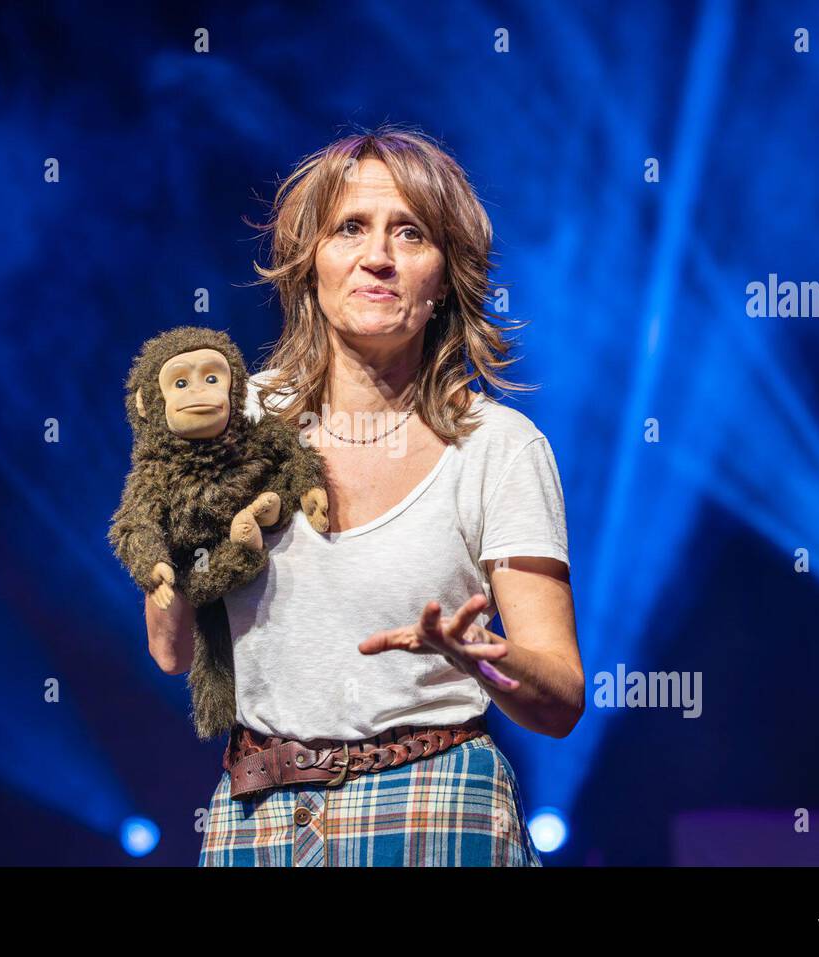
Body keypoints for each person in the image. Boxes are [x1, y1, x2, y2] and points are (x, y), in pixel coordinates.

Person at [146, 125, 585, 866]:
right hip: (261, 815)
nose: (378, 256)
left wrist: (483, 655)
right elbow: (171, 649)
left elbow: (562, 697)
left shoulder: (500, 447)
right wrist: (180, 543)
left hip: (438, 806)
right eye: (351, 228)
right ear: (310, 259)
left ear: (444, 276)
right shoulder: (230, 423)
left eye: (410, 233)